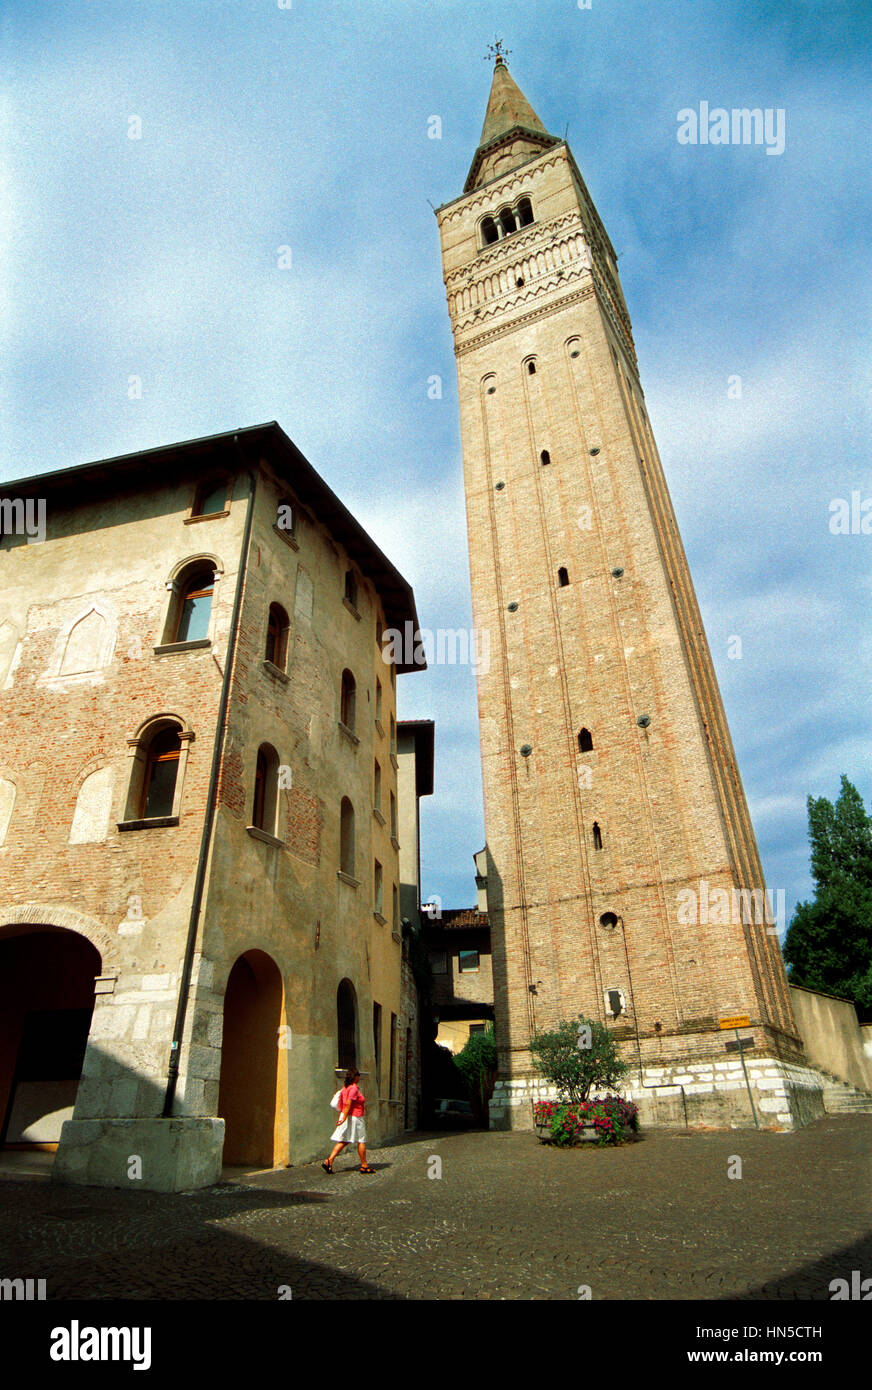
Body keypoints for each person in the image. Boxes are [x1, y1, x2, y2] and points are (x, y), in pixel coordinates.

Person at [322, 1069, 374, 1173]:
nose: (359, 1078)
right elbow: (348, 1104)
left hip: (348, 1117)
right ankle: (364, 1165)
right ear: (355, 1077)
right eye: (358, 1076)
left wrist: (343, 1118)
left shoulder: (345, 1088)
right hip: (355, 1117)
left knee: (344, 1140)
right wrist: (343, 1118)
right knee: (361, 1140)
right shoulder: (354, 1088)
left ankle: (329, 1161)